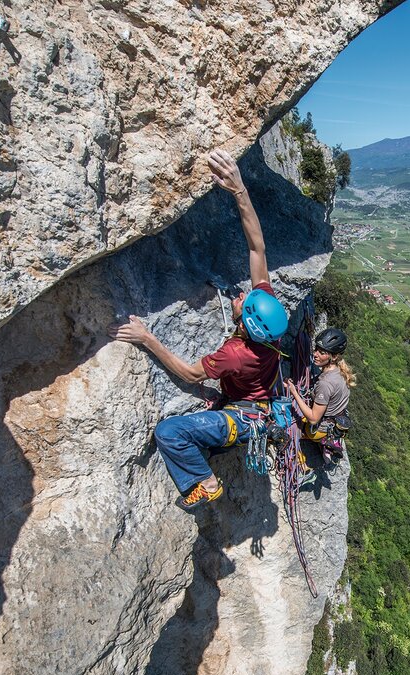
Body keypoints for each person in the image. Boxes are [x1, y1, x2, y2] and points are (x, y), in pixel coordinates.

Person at [108, 149, 288, 511]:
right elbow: (257, 246)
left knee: (170, 433)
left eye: (243, 301)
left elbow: (190, 374)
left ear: (244, 322)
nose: (242, 295)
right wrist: (239, 191)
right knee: (202, 428)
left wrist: (147, 338)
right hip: (254, 412)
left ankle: (205, 483)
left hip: (240, 419)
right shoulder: (270, 324)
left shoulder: (235, 354)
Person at [286, 328, 356, 464]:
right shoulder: (340, 372)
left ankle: (319, 440)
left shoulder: (326, 383)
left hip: (318, 430)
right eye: (316, 349)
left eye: (322, 352)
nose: (315, 354)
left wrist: (294, 392)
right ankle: (328, 443)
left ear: (334, 357)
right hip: (334, 423)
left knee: (288, 426)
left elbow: (313, 419)